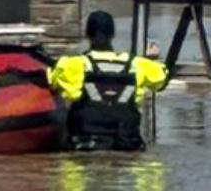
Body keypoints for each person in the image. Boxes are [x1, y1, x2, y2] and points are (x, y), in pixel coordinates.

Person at [47, 11, 169, 152]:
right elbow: (162, 78)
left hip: (84, 144)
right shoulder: (137, 64)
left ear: (87, 34)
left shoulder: (71, 65)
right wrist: (152, 59)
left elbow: (51, 80)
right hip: (127, 144)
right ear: (113, 35)